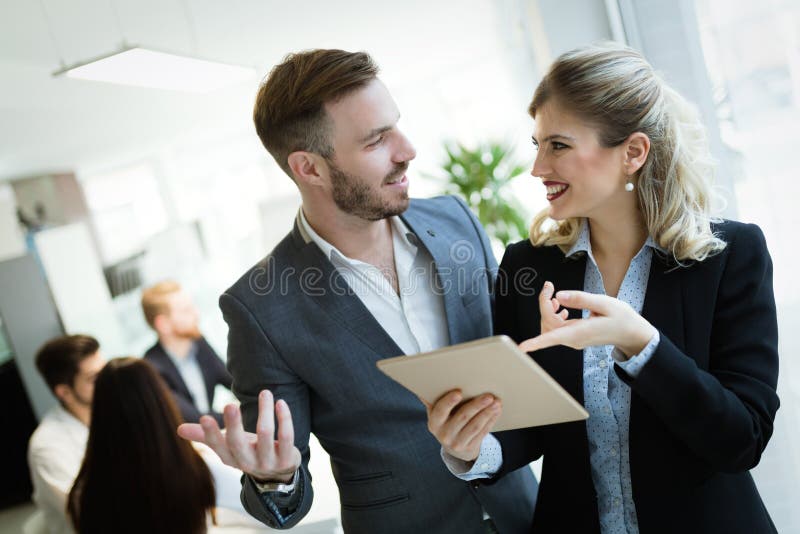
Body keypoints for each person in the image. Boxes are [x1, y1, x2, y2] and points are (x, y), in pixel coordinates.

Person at [178, 49, 538, 534]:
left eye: (397, 126)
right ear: (309, 168)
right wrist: (276, 477)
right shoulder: (261, 306)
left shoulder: (455, 221)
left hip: (526, 515)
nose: (406, 149)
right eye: (376, 141)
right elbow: (284, 496)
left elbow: (511, 361)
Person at [426, 43, 780, 533]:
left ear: (633, 152)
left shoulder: (730, 256)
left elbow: (742, 439)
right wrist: (472, 447)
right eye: (537, 145)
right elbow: (533, 424)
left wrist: (642, 344)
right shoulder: (526, 266)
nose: (537, 168)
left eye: (559, 146)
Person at [66, 357, 266, 534]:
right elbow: (269, 513)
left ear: (100, 412)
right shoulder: (193, 468)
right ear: (161, 403)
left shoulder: (85, 490)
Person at [28, 335, 105, 534]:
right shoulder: (47, 447)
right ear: (65, 393)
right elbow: (91, 514)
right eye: (95, 378)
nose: (108, 382)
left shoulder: (112, 413)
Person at [142, 280, 232, 426]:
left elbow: (235, 381)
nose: (196, 314)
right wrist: (244, 413)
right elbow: (195, 421)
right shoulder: (151, 369)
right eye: (186, 310)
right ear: (163, 324)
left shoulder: (199, 343)